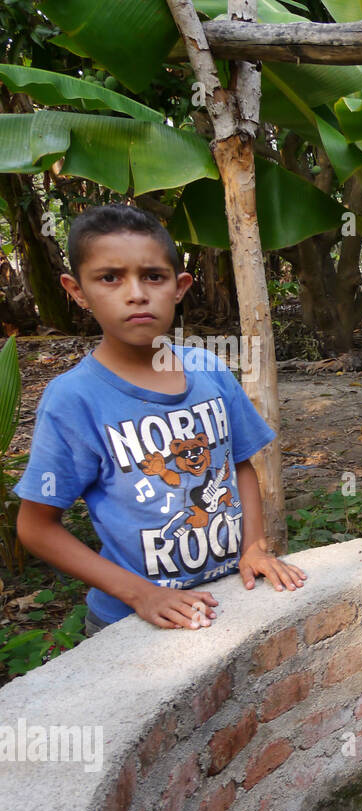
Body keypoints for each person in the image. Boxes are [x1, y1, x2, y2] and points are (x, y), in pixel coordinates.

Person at [14, 203, 306, 636]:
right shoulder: (74, 399)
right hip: (133, 620)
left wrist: (255, 547)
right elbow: (36, 528)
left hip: (230, 594)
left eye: (153, 276)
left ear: (179, 285)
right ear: (77, 290)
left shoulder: (209, 370)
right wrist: (140, 594)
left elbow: (238, 463)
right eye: (110, 277)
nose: (136, 293)